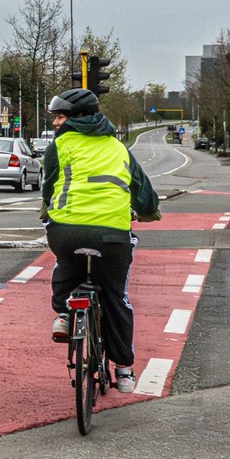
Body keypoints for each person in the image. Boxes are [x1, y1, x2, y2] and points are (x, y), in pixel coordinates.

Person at [41, 88, 161, 393]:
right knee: (116, 296)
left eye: (61, 115)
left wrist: (50, 211)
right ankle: (123, 368)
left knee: (66, 263)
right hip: (112, 236)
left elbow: (49, 186)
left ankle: (65, 314)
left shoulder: (60, 145)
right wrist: (148, 211)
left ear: (79, 117)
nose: (56, 122)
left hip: (66, 231)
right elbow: (144, 194)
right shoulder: (119, 149)